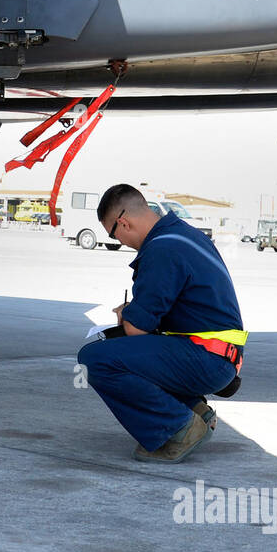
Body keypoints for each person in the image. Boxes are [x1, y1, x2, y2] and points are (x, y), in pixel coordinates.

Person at [76, 184, 246, 463]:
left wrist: (125, 313)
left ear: (123, 223)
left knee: (95, 359)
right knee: (138, 351)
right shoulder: (184, 234)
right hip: (219, 355)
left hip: (207, 360)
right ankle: (195, 411)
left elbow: (136, 329)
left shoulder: (161, 249)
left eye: (113, 234)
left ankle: (179, 428)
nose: (119, 240)